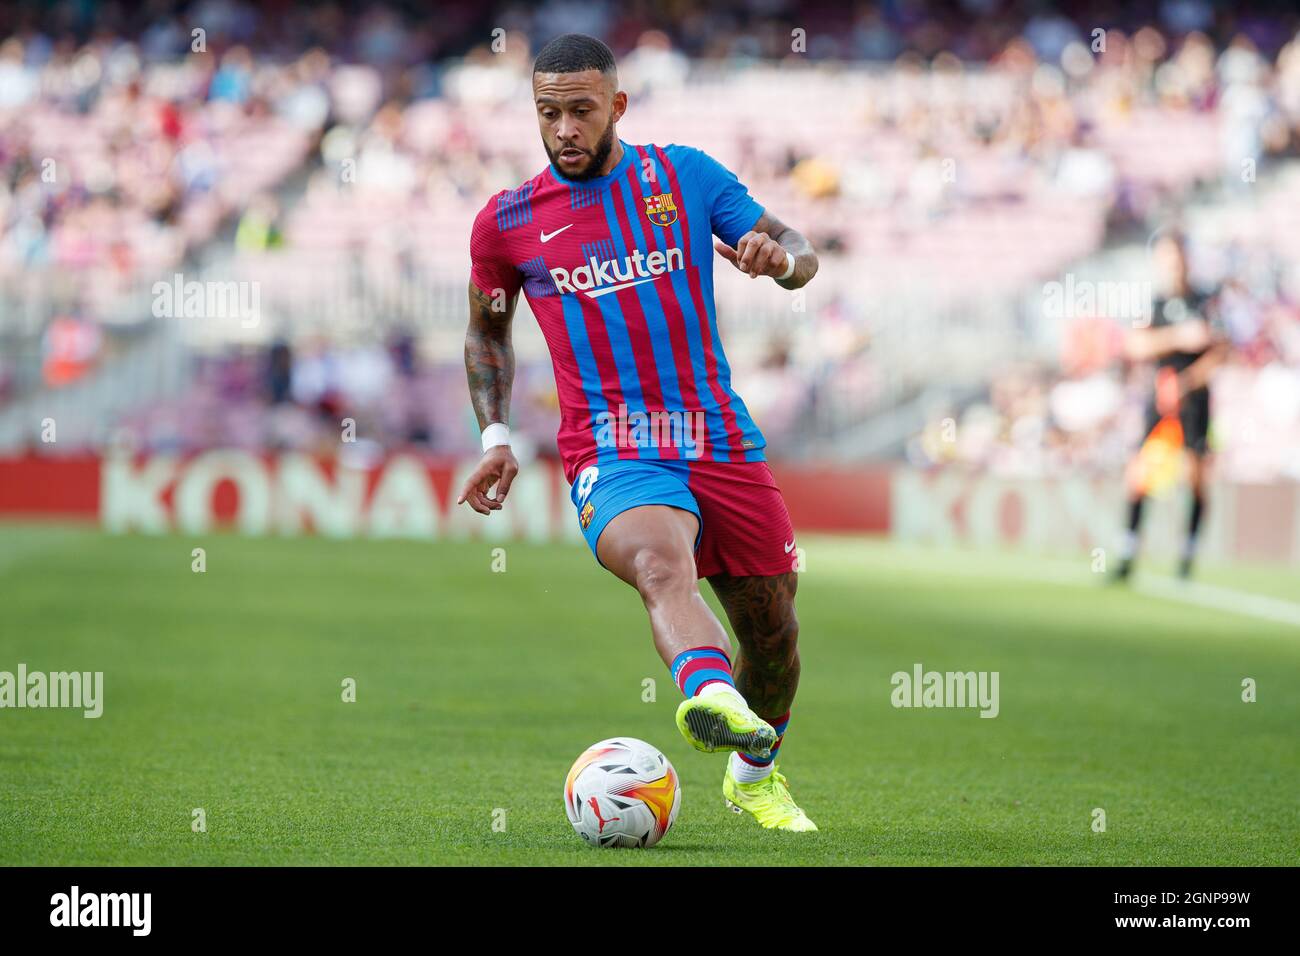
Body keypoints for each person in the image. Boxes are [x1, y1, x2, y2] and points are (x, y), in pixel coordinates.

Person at [457, 34, 820, 830]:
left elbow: (801, 252)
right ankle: (709, 695)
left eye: (580, 111)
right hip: (612, 445)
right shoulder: (508, 222)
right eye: (548, 113)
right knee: (661, 564)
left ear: (616, 106)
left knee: (775, 633)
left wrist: (777, 261)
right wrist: (495, 437)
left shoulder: (683, 176)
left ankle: (754, 771)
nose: (564, 131)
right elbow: (488, 332)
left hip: (718, 437)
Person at [1115, 231, 1229, 581]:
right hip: (1160, 396)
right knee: (1139, 474)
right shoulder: (1154, 304)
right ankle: (1128, 551)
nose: (1174, 263)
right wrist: (1177, 337)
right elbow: (1134, 345)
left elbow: (1221, 349)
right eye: (1167, 256)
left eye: (1178, 255)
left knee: (1194, 477)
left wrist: (1189, 381)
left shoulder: (1206, 301)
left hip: (1193, 397)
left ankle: (1187, 556)